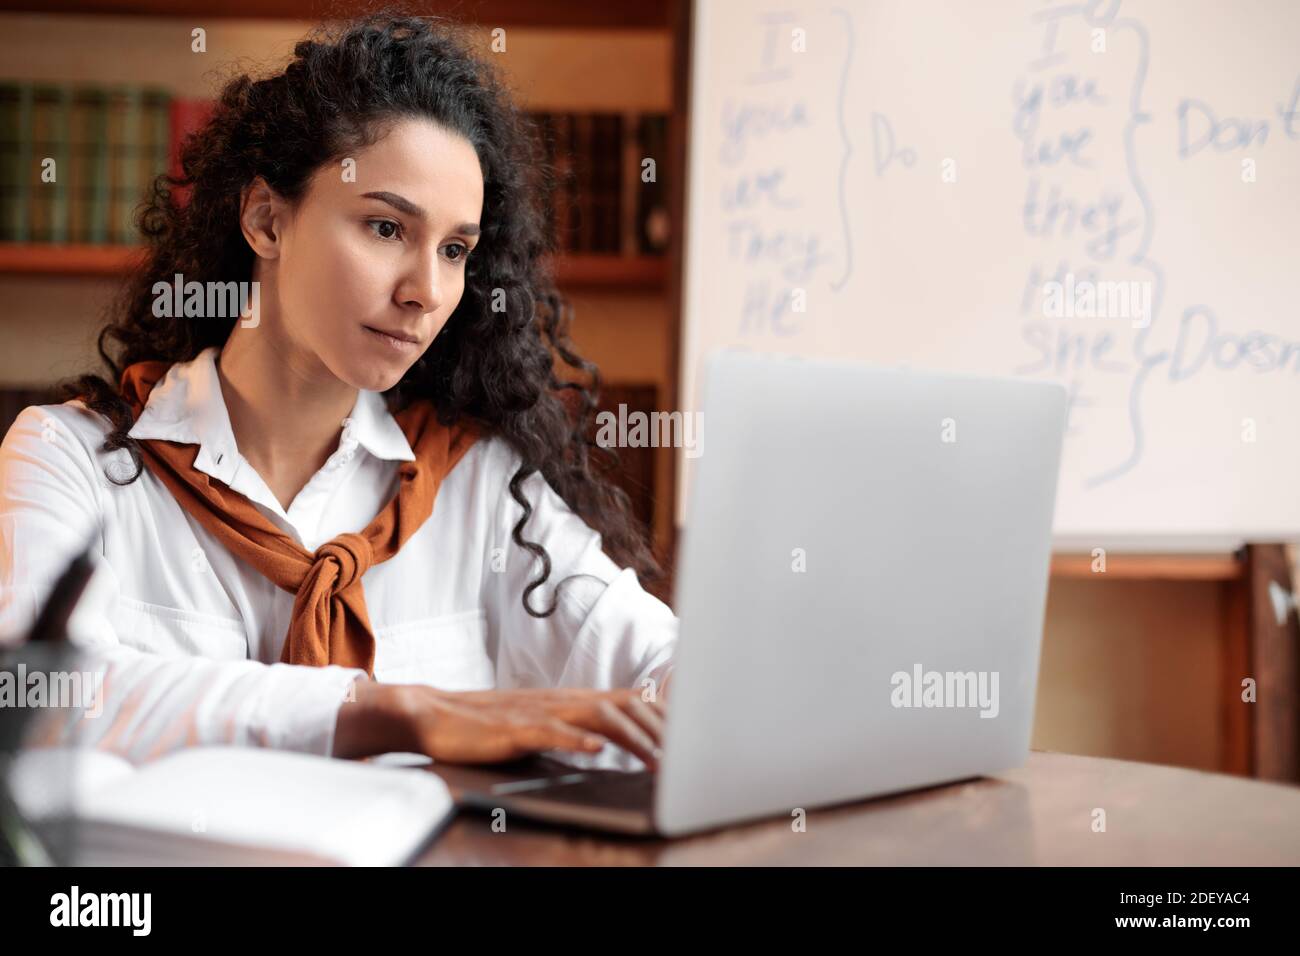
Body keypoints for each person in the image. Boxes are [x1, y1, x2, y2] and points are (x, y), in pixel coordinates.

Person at [0, 14, 674, 772]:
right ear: (265, 220)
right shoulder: (70, 461)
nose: (426, 290)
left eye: (455, 250)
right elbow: (39, 697)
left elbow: (659, 669)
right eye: (386, 228)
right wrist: (396, 712)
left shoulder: (475, 484)